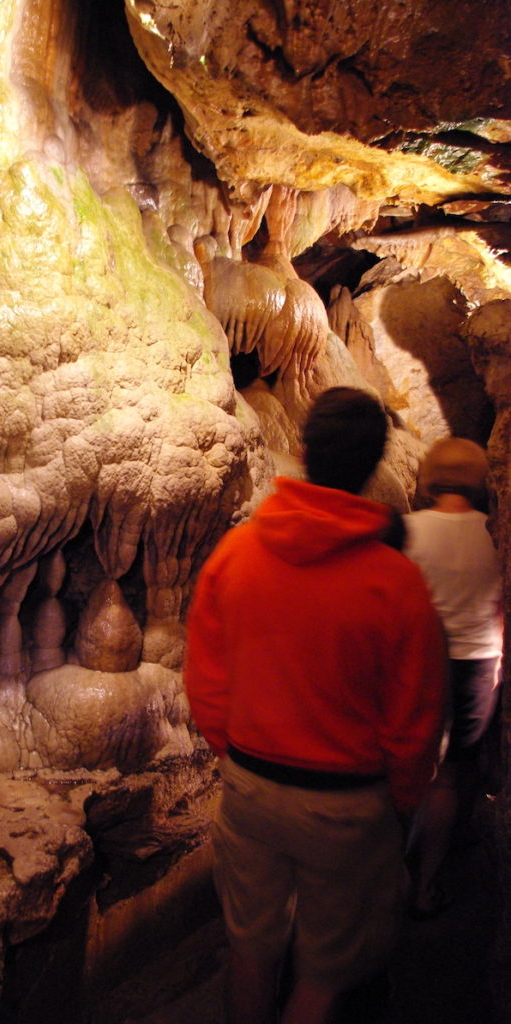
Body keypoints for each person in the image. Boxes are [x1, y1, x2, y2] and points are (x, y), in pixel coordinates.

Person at [184, 386, 446, 1024]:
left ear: (300, 450)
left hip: (249, 785)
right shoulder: (397, 584)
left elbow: (205, 675)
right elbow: (416, 717)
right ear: (375, 465)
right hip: (348, 804)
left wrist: (236, 749)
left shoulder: (237, 553)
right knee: (325, 973)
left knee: (250, 953)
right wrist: (401, 799)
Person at [403, 437, 503, 918]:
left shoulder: (407, 531)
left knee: (404, 769)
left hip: (419, 662)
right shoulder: (495, 533)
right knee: (452, 775)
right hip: (478, 662)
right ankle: (428, 883)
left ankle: (386, 878)